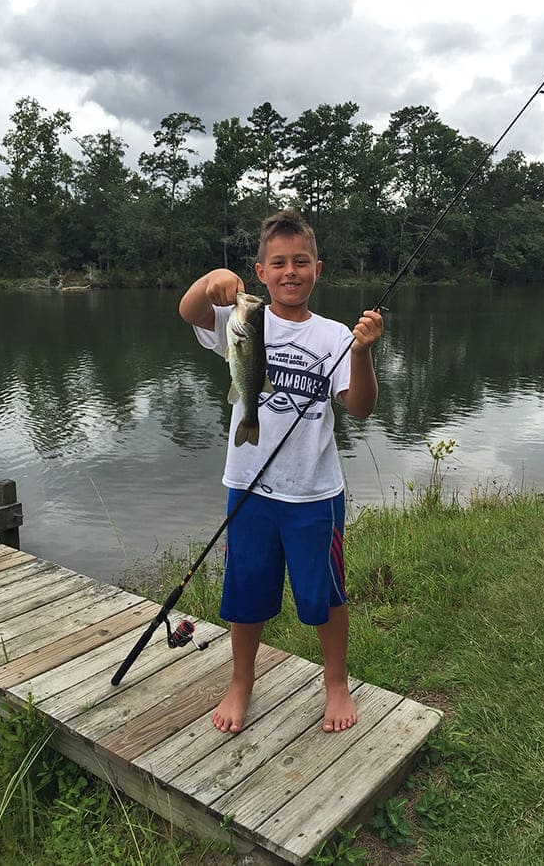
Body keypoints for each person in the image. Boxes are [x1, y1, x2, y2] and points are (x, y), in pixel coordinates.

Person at [179, 209, 383, 734]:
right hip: (248, 489)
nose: (289, 271)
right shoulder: (242, 319)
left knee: (326, 594)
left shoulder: (335, 334)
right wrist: (210, 283)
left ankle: (335, 681)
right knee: (246, 592)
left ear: (318, 268)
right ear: (260, 271)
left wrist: (360, 354)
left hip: (316, 495)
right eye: (278, 263)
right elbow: (189, 311)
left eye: (300, 262)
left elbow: (359, 408)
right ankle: (240, 681)